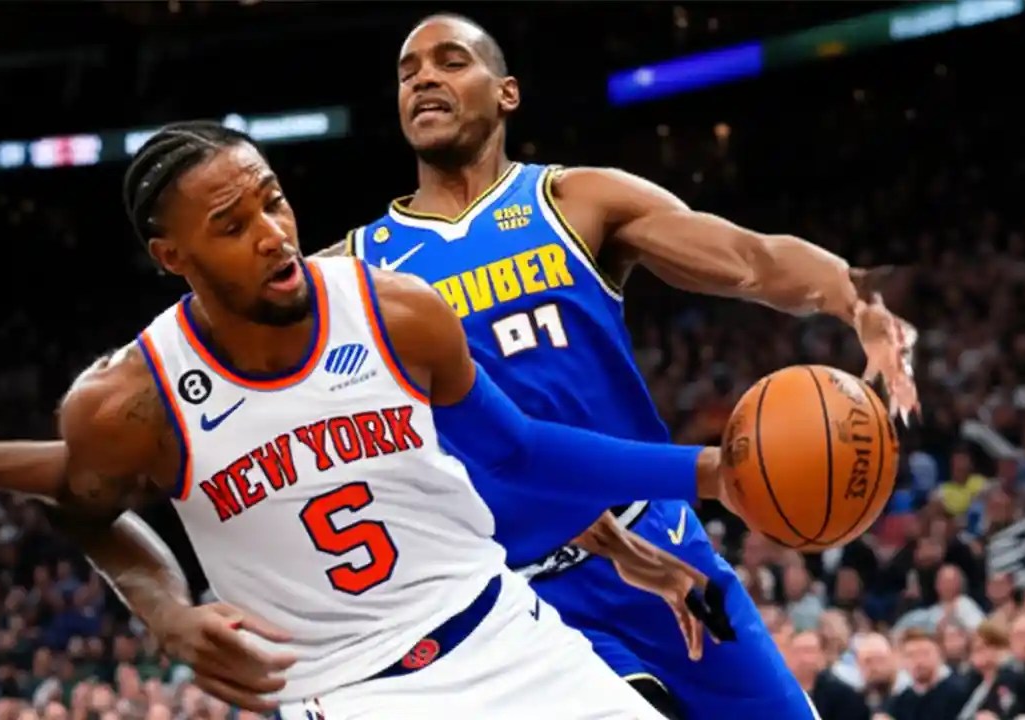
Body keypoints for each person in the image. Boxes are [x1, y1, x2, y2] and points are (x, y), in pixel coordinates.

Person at [0, 123, 755, 718]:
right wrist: (168, 615)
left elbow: (519, 448)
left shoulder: (398, 309)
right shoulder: (131, 402)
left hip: (511, 635)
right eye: (232, 223)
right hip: (351, 695)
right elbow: (81, 503)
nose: (272, 231)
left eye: (272, 198)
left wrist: (709, 473)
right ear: (171, 254)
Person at [340, 12, 917, 719]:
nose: (424, 77)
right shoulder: (359, 268)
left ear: (507, 93)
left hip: (657, 539)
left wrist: (854, 297)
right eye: (408, 72)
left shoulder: (573, 202)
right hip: (520, 595)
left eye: (451, 61)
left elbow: (749, 260)